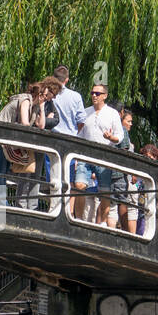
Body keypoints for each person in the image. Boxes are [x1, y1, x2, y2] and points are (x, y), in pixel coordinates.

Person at [74, 84, 120, 222]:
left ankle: (101, 224)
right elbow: (79, 135)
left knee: (104, 192)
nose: (94, 95)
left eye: (98, 93)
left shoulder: (112, 114)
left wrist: (110, 138)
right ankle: (79, 220)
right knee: (79, 186)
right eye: (92, 92)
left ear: (105, 96)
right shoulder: (85, 112)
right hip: (85, 154)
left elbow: (119, 136)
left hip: (104, 156)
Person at [50, 66, 85, 137]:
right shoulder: (76, 96)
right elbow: (81, 121)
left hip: (50, 134)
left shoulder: (48, 93)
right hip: (70, 137)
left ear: (53, 78)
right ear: (67, 80)